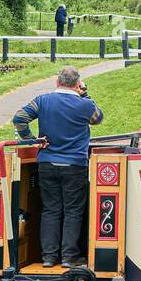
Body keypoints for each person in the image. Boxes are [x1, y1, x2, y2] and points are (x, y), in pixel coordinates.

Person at [13, 66, 104, 268]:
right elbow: (98, 119)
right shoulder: (85, 105)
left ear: (57, 82)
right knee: (72, 210)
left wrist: (31, 141)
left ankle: (48, 257)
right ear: (77, 84)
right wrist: (85, 94)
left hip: (47, 163)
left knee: (50, 210)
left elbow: (19, 118)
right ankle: (69, 257)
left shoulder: (42, 101)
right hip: (74, 165)